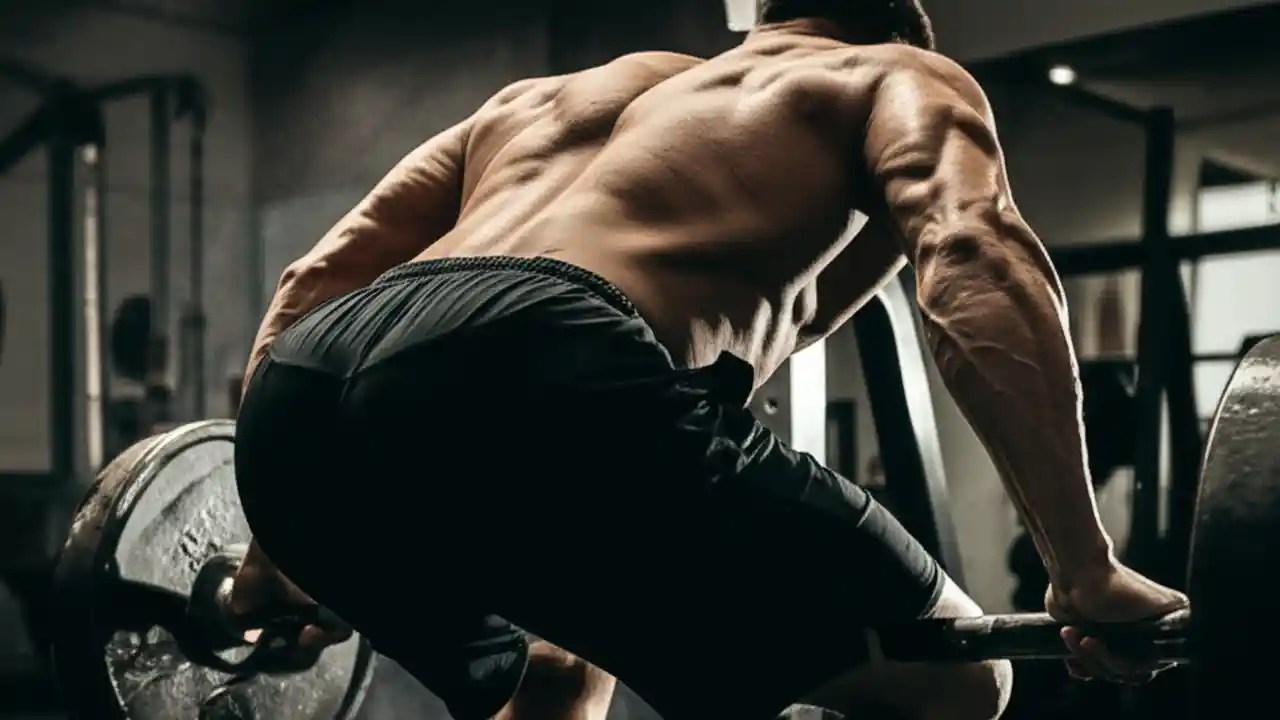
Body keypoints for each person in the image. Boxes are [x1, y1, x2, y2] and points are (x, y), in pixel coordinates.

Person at [229, 1, 1189, 718]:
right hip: (549, 364)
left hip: (303, 396)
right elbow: (973, 251)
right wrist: (1082, 567)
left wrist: (277, 553)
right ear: (898, 28)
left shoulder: (539, 102)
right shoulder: (890, 74)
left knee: (558, 670)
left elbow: (314, 280)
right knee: (964, 683)